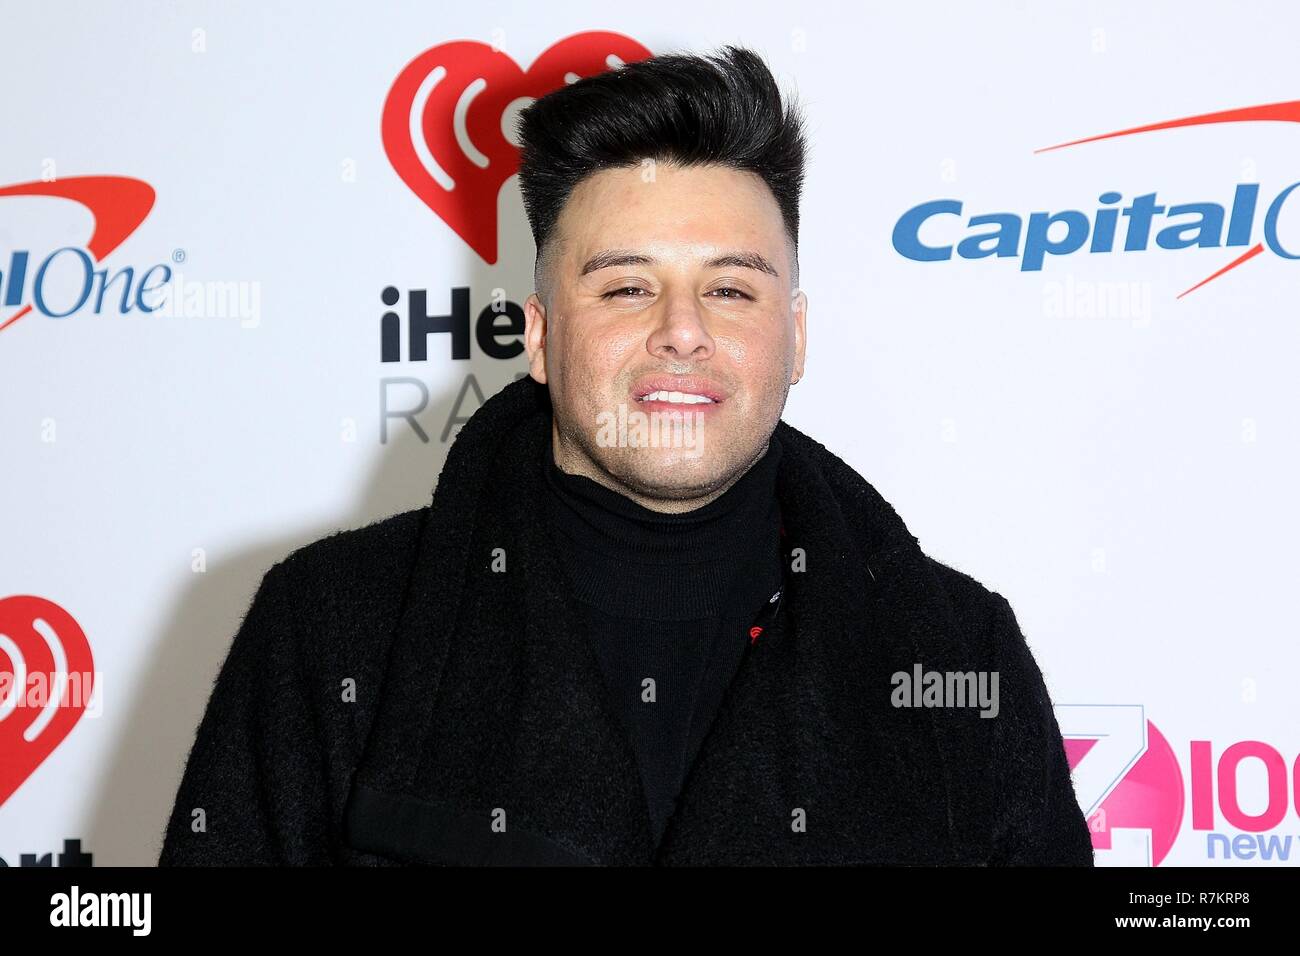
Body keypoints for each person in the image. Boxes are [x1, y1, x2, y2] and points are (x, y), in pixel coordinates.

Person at [158, 44, 1093, 866]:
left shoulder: (957, 651)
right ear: (537, 334)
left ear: (797, 337)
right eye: (626, 287)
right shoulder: (331, 629)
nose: (681, 332)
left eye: (730, 289)